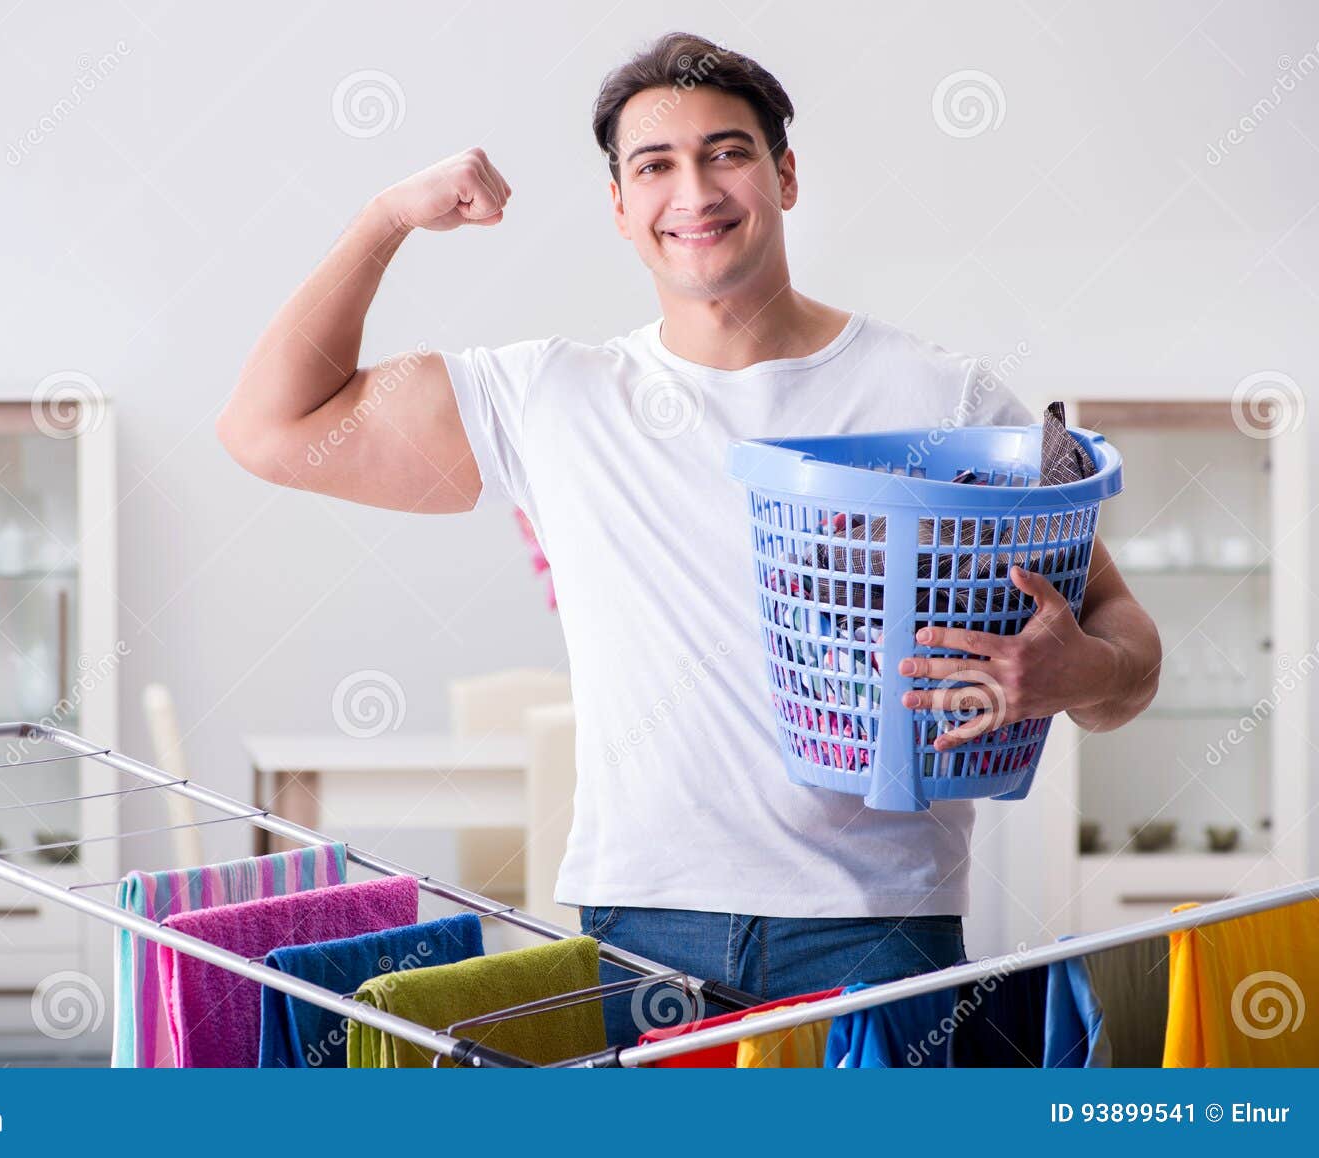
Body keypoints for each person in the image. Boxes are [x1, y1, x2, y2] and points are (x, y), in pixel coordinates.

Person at [216, 31, 1161, 1049]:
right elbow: (271, 430)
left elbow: (1125, 647)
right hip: (639, 927)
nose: (694, 190)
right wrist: (385, 218)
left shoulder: (942, 398)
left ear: (785, 175)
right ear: (619, 206)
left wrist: (1077, 672)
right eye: (654, 165)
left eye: (728, 152)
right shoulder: (549, 397)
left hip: (875, 929)